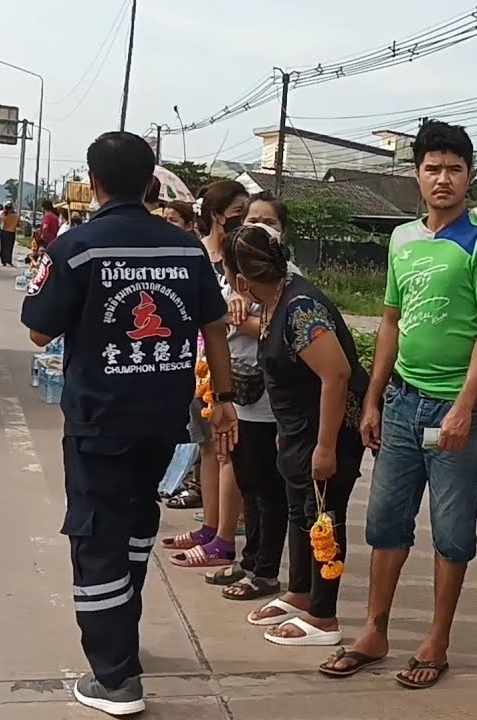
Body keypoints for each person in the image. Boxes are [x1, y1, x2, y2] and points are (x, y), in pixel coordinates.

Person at [20, 130, 238, 716]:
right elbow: (215, 327)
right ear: (149, 184)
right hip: (163, 421)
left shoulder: (77, 248)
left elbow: (39, 330)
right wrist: (223, 398)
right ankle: (124, 641)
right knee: (137, 529)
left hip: (100, 423)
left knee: (98, 540)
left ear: (93, 182)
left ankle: (115, 678)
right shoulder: (186, 248)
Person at [322, 120, 477, 688]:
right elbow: (390, 322)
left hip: (455, 409)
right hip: (402, 404)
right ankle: (374, 631)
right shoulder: (402, 239)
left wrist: (464, 405)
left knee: (452, 531)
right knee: (385, 523)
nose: (443, 179)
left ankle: (437, 640)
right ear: (417, 175)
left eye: (454, 169)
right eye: (433, 168)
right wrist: (373, 400)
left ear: (470, 176)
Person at [222, 222, 368, 647]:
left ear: (241, 280)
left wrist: (325, 446)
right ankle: (301, 593)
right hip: (298, 431)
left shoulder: (301, 309)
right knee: (301, 511)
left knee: (323, 516)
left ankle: (323, 616)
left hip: (326, 431)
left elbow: (336, 375)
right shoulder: (275, 300)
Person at [213, 195, 301, 606]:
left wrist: (241, 317)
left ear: (282, 232)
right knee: (249, 483)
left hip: (271, 401)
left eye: (270, 222)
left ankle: (265, 571)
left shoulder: (286, 276)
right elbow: (220, 317)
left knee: (268, 489)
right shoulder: (236, 267)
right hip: (240, 394)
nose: (260, 227)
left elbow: (277, 328)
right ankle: (250, 562)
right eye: (253, 219)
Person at [160, 180, 248, 567]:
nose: (244, 221)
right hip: (197, 363)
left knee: (226, 449)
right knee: (207, 447)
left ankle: (224, 535)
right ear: (215, 215)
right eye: (238, 213)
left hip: (232, 366)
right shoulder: (194, 254)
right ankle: (210, 528)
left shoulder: (244, 257)